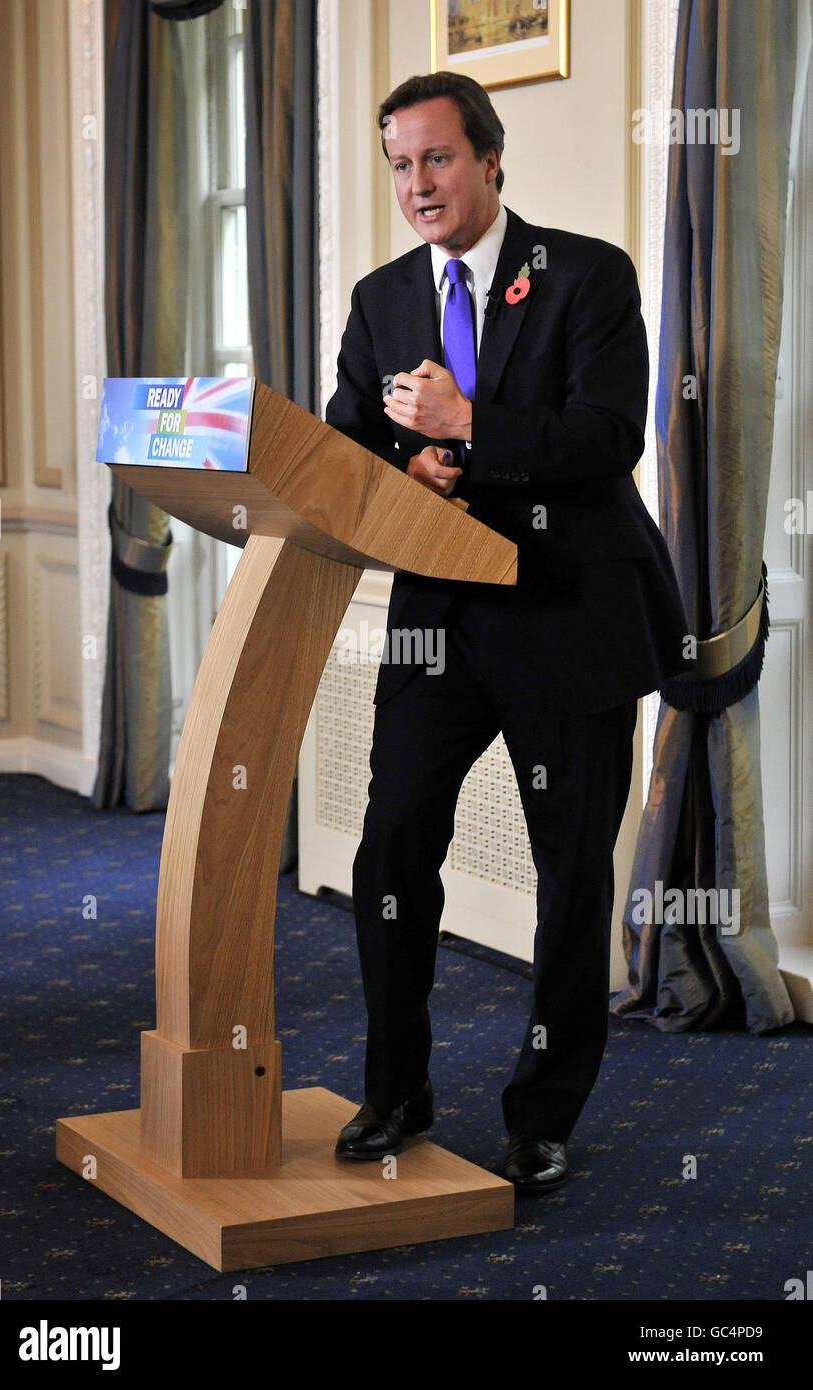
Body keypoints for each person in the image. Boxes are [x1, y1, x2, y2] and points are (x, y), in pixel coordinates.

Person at [324, 71, 689, 1192]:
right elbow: (347, 427)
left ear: (488, 159)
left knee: (568, 879)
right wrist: (411, 460)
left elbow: (605, 435)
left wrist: (469, 426)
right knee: (390, 850)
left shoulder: (584, 273)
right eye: (398, 165)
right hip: (440, 621)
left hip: (568, 618)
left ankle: (542, 1112)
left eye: (436, 159)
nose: (417, 185)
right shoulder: (383, 295)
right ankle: (395, 1091)